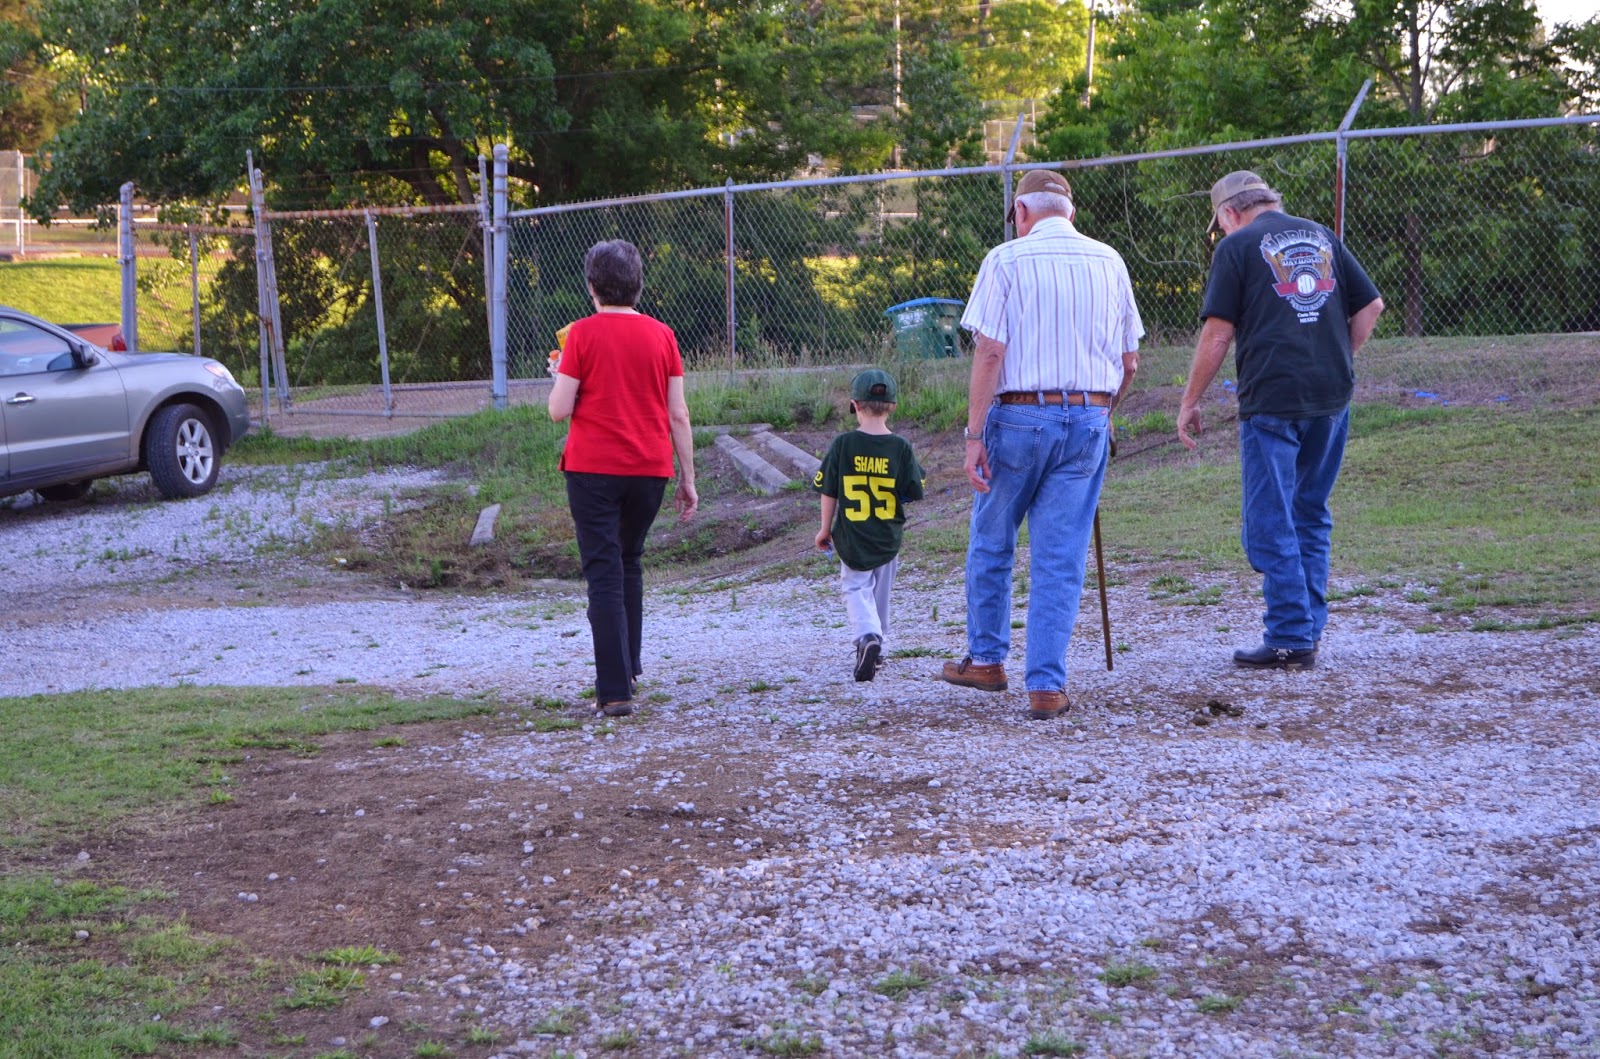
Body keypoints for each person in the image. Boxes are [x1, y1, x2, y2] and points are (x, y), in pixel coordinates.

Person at [937, 169, 1144, 720]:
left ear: (1020, 213)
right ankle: (1046, 686)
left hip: (1019, 418)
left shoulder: (1005, 259)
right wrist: (1101, 414)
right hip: (1089, 417)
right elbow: (1129, 363)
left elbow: (988, 353)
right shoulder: (1111, 261)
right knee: (1060, 555)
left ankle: (985, 660)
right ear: (1070, 213)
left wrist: (973, 434)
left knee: (993, 539)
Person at [1177, 170, 1384, 670]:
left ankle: (1290, 635)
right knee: (1309, 510)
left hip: (1272, 400)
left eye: (1220, 224)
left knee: (1268, 522)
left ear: (1229, 213)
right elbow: (1370, 306)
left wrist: (1189, 402)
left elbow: (1217, 335)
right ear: (1270, 201)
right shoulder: (1320, 235)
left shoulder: (1236, 247)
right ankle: (1308, 627)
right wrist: (1336, 356)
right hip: (1332, 395)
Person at [548, 239, 698, 717]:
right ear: (639, 285)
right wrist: (688, 479)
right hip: (650, 470)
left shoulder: (582, 337)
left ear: (592, 287)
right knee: (629, 560)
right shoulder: (663, 335)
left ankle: (614, 690)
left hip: (593, 470)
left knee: (603, 570)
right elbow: (679, 415)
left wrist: (559, 373)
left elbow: (558, 410)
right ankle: (629, 666)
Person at [813, 369, 925, 682]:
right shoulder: (901, 447)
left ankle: (867, 637)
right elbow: (914, 491)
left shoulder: (843, 444)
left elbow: (829, 490)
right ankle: (878, 647)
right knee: (881, 593)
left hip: (853, 535)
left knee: (854, 586)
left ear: (855, 405)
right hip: (887, 536)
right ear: (893, 406)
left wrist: (824, 529)